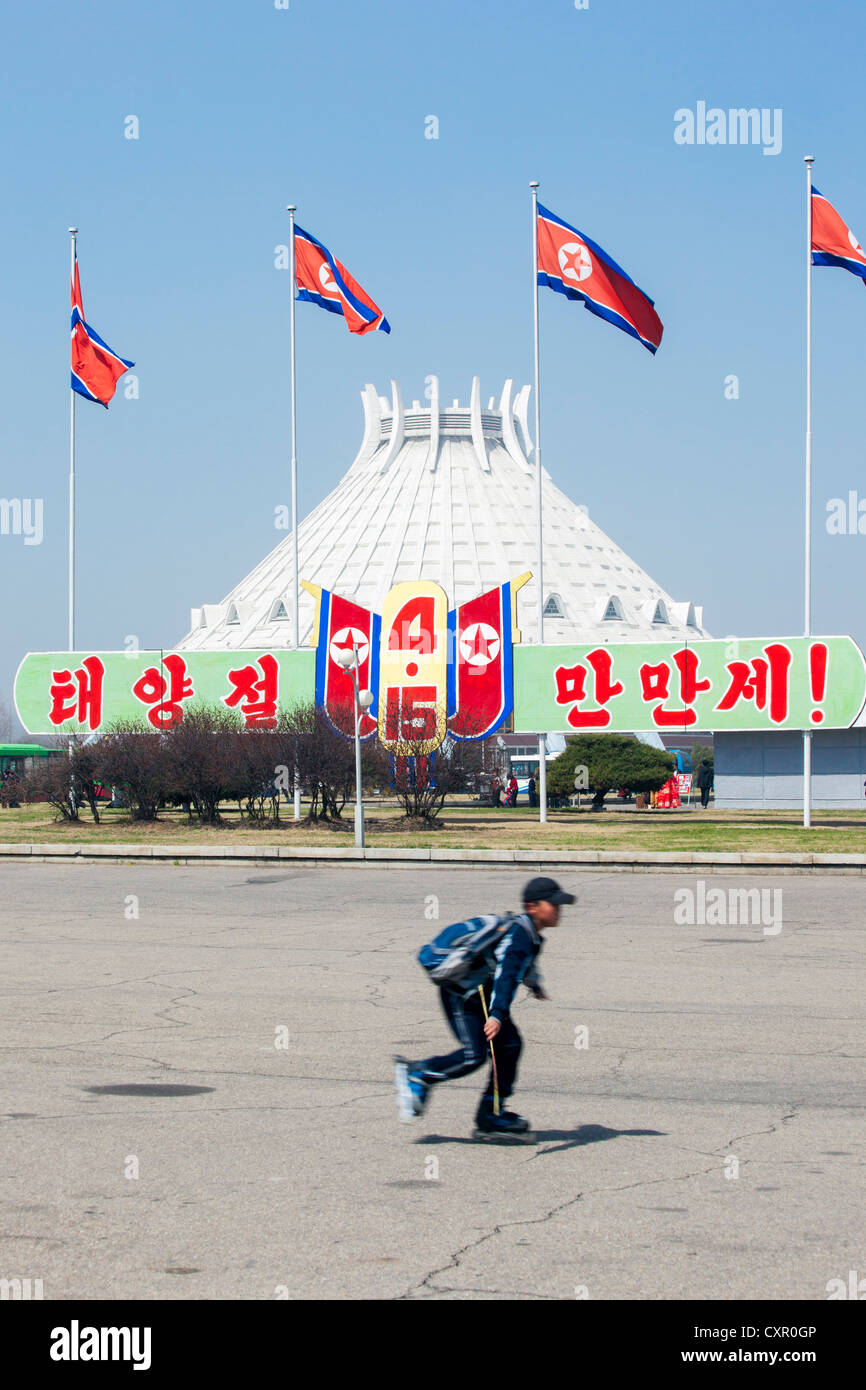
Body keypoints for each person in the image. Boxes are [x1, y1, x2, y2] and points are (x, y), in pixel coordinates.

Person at [394, 876, 576, 1138]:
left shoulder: (528, 933)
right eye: (554, 904)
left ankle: (490, 1115)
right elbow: (506, 976)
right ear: (533, 907)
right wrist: (497, 1015)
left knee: (510, 1047)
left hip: (481, 994)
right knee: (473, 1055)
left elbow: (519, 965)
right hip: (462, 996)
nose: (559, 910)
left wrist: (535, 986)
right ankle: (419, 1074)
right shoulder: (520, 935)